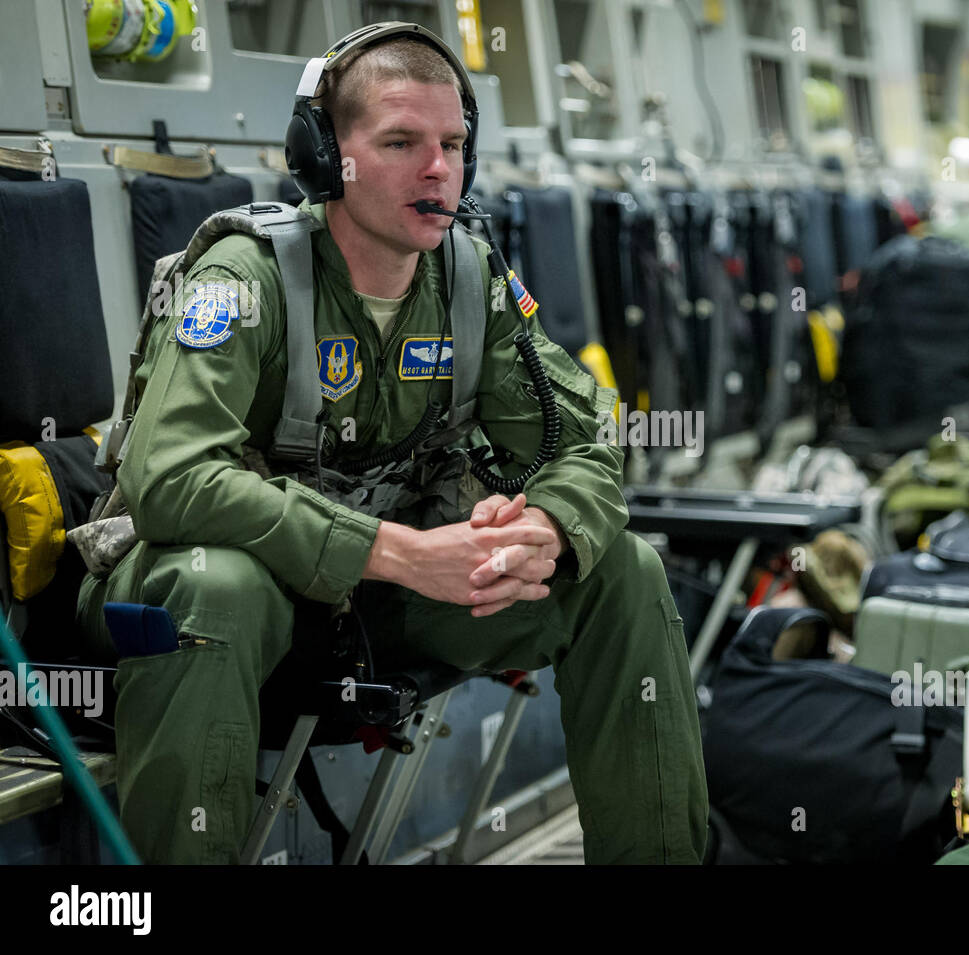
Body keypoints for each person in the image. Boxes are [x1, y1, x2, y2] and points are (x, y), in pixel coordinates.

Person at [75, 23, 707, 865]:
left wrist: (548, 525)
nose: (437, 167)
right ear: (324, 156)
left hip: (379, 607)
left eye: (452, 144)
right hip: (233, 605)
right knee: (214, 583)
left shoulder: (471, 282)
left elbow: (586, 438)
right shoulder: (242, 279)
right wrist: (398, 550)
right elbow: (172, 478)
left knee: (621, 567)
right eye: (401, 141)